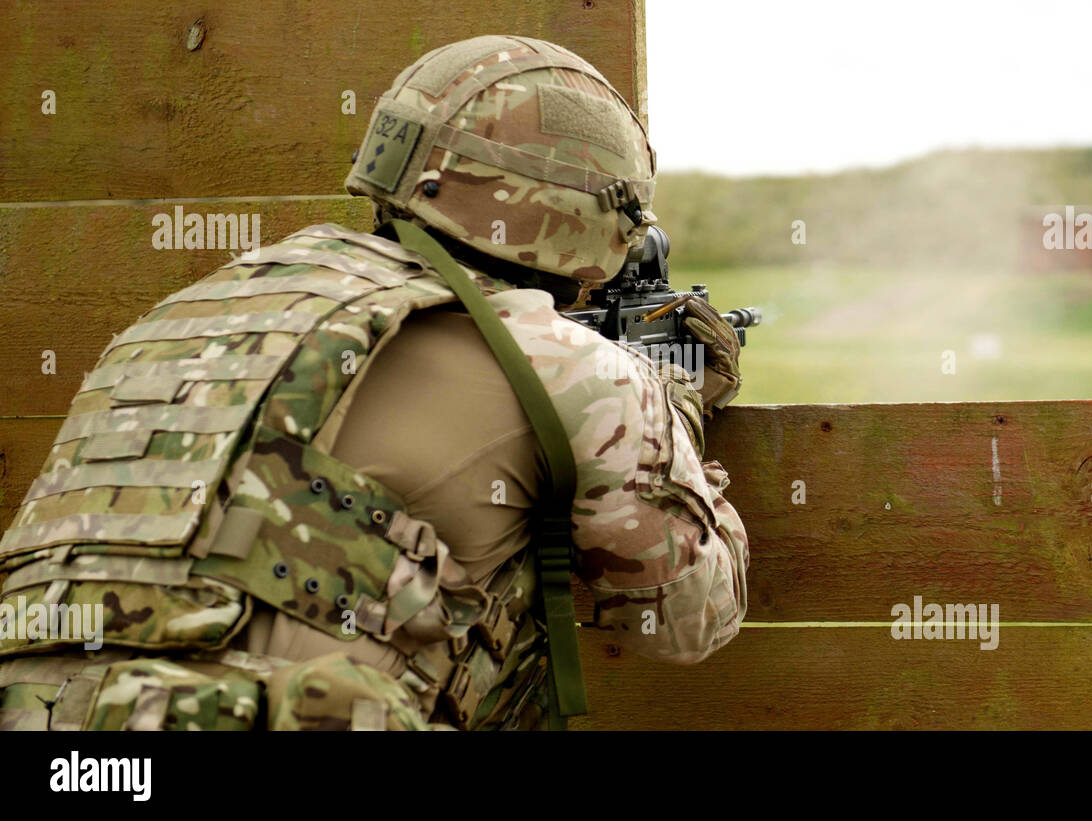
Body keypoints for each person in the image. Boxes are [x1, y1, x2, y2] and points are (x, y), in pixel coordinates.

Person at [0, 35, 748, 731]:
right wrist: (667, 411)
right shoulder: (571, 368)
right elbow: (689, 619)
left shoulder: (199, 308)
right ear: (593, 212)